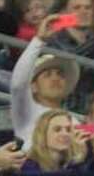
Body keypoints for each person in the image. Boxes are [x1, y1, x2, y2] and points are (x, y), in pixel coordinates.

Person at [11, 16, 81, 147]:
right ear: (34, 86)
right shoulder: (26, 112)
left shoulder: (75, 122)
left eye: (60, 74)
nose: (55, 78)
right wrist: (39, 40)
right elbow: (18, 85)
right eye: (47, 74)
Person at [21, 109, 91, 172]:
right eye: (57, 130)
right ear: (42, 134)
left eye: (68, 130)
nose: (65, 134)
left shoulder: (68, 163)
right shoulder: (29, 166)